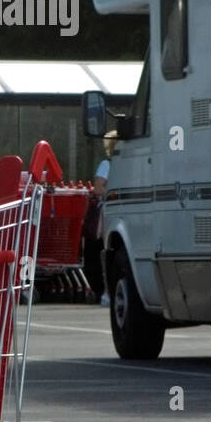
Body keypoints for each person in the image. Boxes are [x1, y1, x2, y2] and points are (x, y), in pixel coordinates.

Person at [82, 130, 117, 305]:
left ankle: (108, 292)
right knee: (105, 250)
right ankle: (105, 292)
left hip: (116, 211)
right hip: (108, 212)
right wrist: (114, 193)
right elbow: (98, 188)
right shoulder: (107, 164)